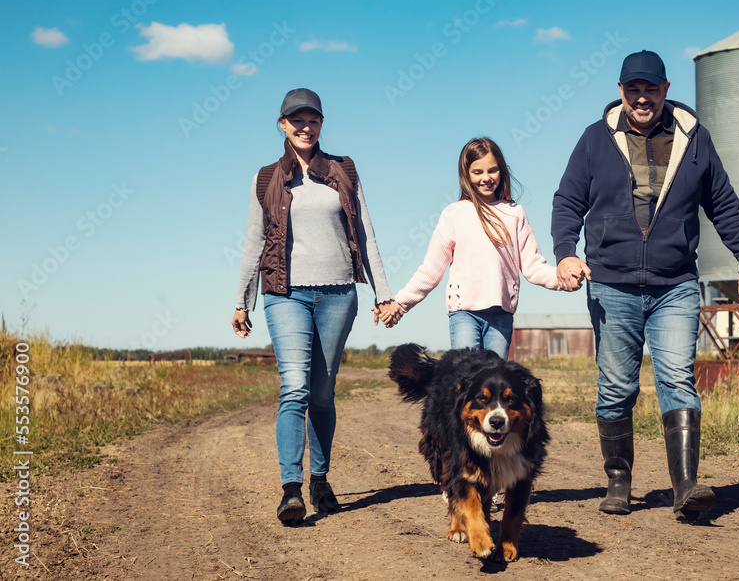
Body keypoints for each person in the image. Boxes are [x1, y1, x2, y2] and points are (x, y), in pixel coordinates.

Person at [551, 51, 739, 519]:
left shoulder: (695, 139)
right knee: (616, 387)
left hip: (675, 283)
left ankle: (685, 487)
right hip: (611, 283)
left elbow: (723, 203)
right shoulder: (595, 140)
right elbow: (567, 200)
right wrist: (566, 252)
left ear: (665, 88)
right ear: (621, 90)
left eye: (650, 89)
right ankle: (619, 480)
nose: (641, 97)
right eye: (633, 89)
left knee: (677, 379)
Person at [231, 88, 395, 524]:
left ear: (321, 124)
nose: (305, 127)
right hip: (284, 292)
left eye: (313, 120)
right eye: (296, 120)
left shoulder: (343, 170)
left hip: (339, 292)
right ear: (282, 125)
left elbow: (366, 231)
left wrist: (384, 293)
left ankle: (320, 479)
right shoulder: (266, 178)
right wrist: (242, 300)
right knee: (296, 387)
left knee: (322, 393)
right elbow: (253, 241)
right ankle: (291, 489)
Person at [380, 137, 568, 360]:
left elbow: (534, 266)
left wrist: (563, 278)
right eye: (477, 172)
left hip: (502, 315)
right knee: (464, 378)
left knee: (494, 381)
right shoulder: (454, 214)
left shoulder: (515, 213)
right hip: (464, 314)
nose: (486, 178)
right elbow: (430, 271)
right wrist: (400, 303)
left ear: (502, 171)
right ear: (466, 175)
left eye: (492, 170)